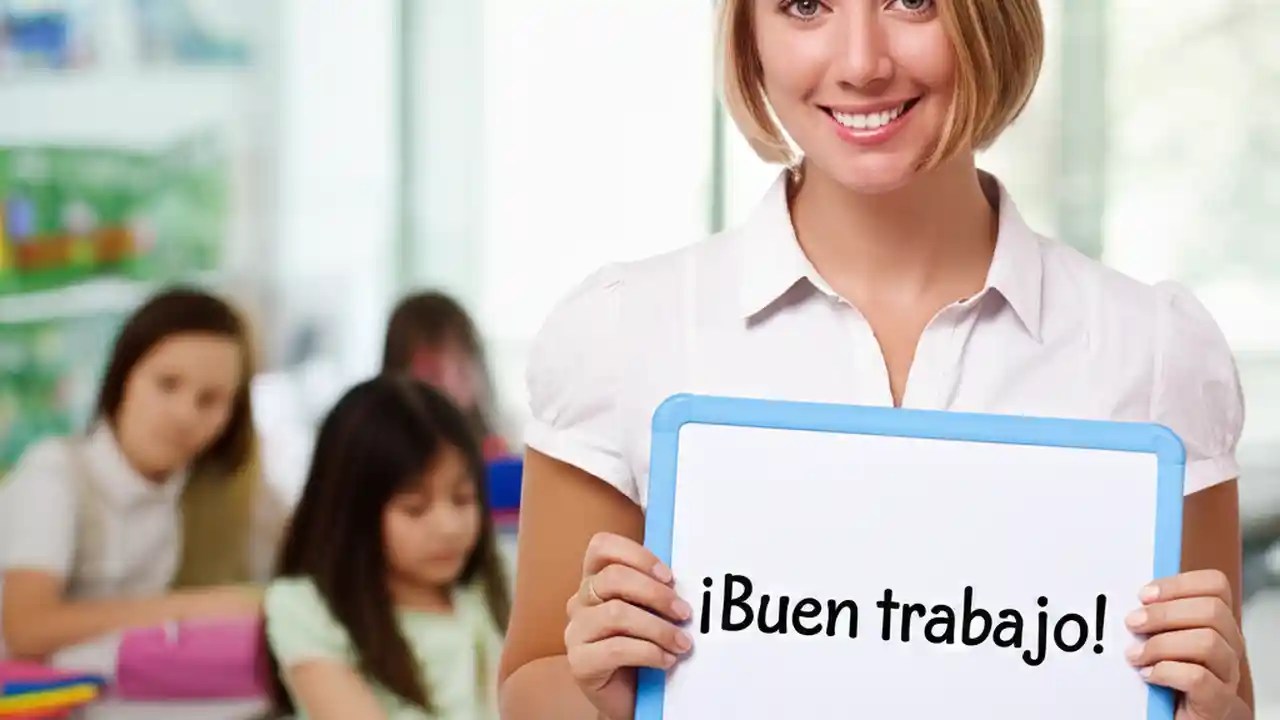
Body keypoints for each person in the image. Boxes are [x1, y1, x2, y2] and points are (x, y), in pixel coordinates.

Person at [498, 1, 1256, 718]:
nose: (861, 63)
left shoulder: (1154, 349)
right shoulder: (622, 332)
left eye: (912, 1)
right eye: (803, 5)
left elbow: (1213, 696)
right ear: (748, 34)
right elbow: (533, 681)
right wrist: (609, 695)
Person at [0, 288, 284, 660]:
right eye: (167, 384)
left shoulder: (201, 486)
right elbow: (26, 630)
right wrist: (196, 608)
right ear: (123, 379)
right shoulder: (54, 474)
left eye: (211, 400)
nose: (185, 415)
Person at [262, 375, 510, 720]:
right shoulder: (308, 609)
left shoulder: (491, 587)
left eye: (463, 499)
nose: (448, 527)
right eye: (415, 508)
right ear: (352, 513)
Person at [382, 291, 511, 461]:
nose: (449, 386)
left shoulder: (494, 457)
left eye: (461, 369)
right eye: (431, 373)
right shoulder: (383, 460)